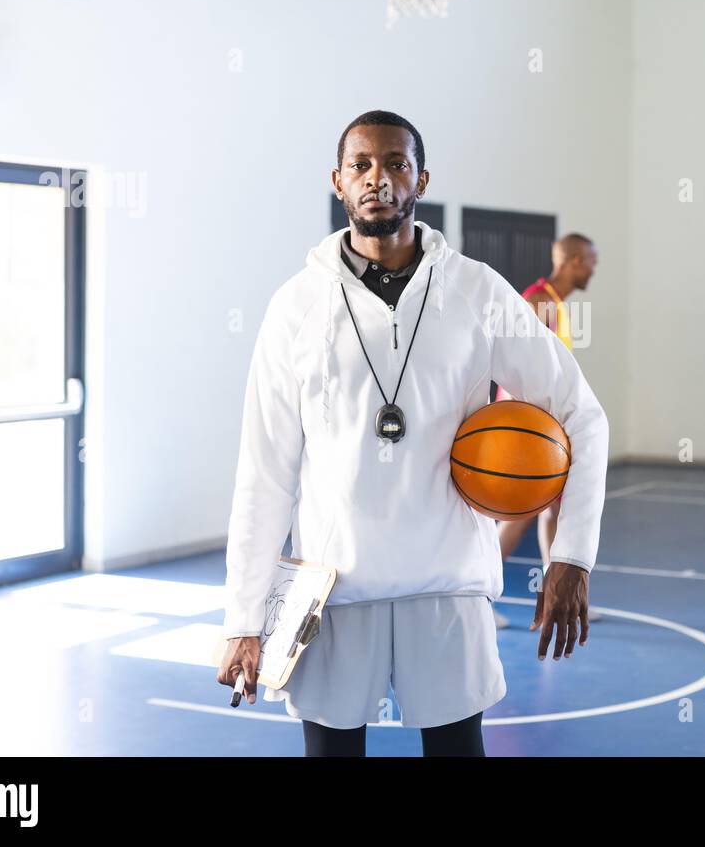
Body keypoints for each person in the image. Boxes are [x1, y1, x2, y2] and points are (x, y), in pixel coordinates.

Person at [215, 111, 610, 753]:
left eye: (396, 163)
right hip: (334, 591)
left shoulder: (477, 292)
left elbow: (582, 414)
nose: (378, 178)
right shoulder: (294, 307)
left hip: (448, 585)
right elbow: (264, 472)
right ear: (338, 182)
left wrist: (571, 554)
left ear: (420, 178)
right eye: (361, 164)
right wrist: (243, 617)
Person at [495, 235, 602, 625]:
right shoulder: (539, 301)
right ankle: (479, 598)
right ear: (573, 260)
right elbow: (513, 365)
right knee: (520, 514)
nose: (594, 267)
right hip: (525, 424)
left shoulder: (557, 304)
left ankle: (556, 594)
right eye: (591, 260)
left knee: (553, 510)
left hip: (543, 423)